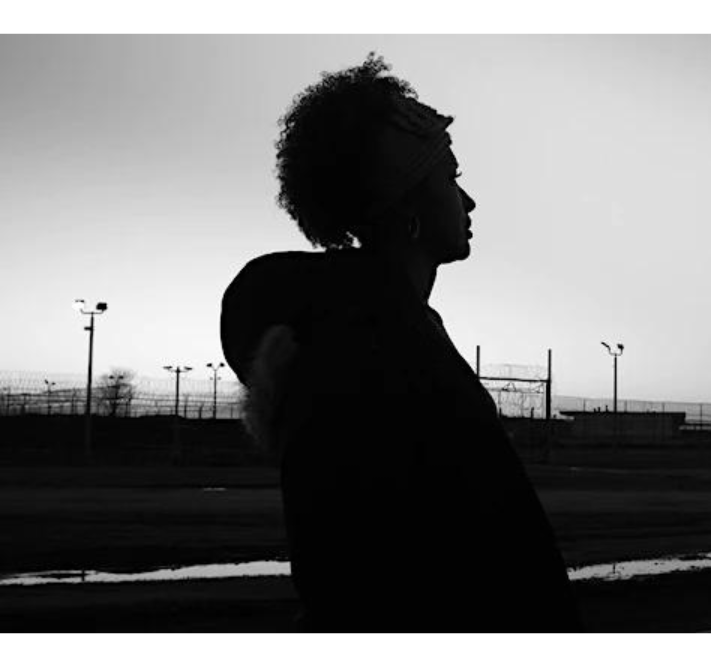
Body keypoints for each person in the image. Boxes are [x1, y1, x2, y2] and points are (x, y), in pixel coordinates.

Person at [219, 53, 582, 632]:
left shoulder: (358, 338)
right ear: (407, 208)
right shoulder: (385, 359)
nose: (467, 202)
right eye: (450, 178)